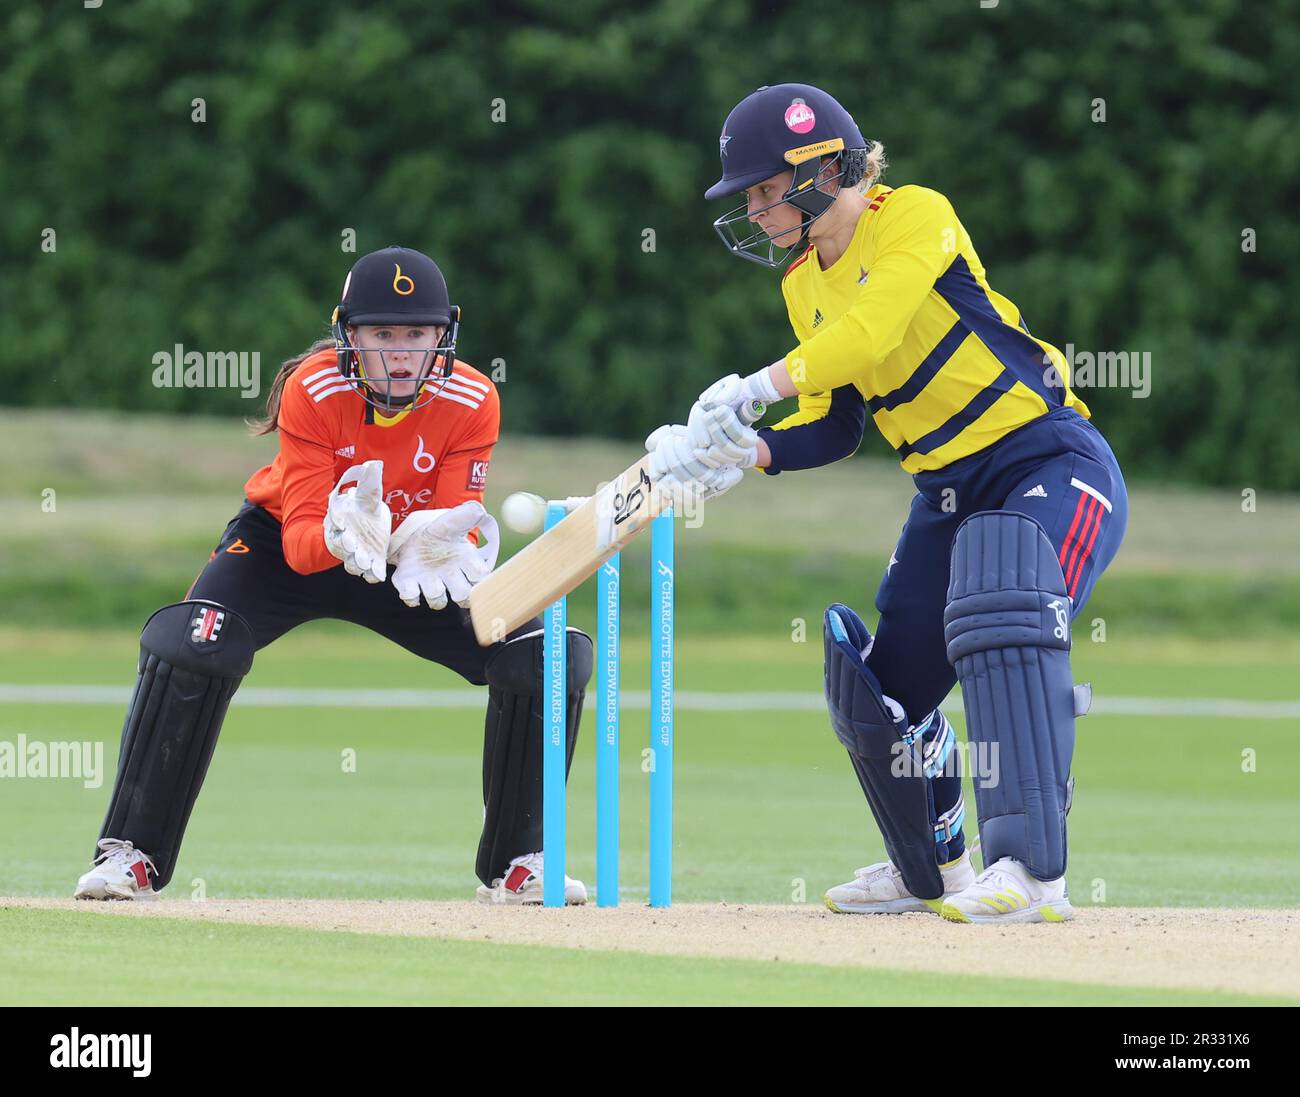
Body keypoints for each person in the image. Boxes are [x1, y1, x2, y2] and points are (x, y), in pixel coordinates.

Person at [647, 84, 1128, 924]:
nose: (756, 211)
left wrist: (753, 389)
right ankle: (931, 871)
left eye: (765, 190)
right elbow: (835, 424)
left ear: (826, 166)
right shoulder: (803, 283)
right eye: (749, 197)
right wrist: (748, 451)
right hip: (945, 491)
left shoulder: (911, 215)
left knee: (1007, 611)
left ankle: (1030, 871)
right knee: (881, 697)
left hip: (1047, 458)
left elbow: (868, 334)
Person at [74, 246, 592, 905]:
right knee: (195, 641)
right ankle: (131, 856)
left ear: (444, 335)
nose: (399, 352)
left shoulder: (474, 398)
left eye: (416, 333)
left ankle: (523, 862)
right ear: (349, 334)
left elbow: (460, 511)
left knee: (544, 648)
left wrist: (448, 545)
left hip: (405, 559)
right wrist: (342, 534)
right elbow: (297, 544)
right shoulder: (314, 388)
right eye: (381, 334)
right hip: (292, 541)